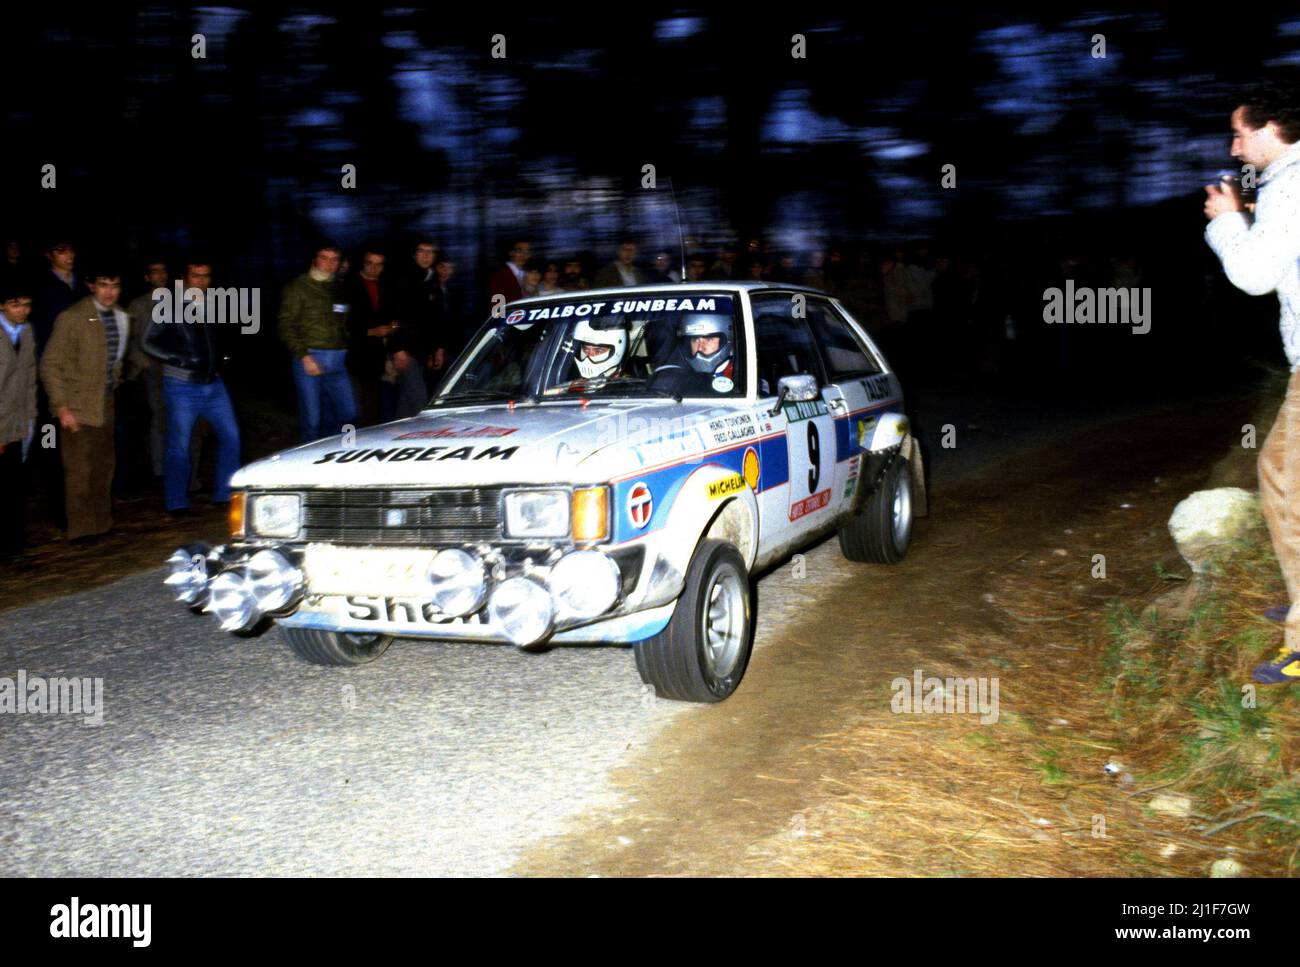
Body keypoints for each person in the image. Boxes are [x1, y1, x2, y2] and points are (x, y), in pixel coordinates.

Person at [1204, 75, 1300, 684]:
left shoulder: (1292, 183)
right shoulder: (1286, 184)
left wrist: (1227, 220)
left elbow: (1255, 275)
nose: (1235, 149)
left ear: (1270, 128)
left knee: (1288, 485)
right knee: (1281, 476)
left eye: (1241, 134)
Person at [143, 261, 242, 516]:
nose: (201, 281)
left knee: (231, 436)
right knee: (179, 444)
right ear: (185, 278)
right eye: (195, 276)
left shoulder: (214, 303)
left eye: (206, 276)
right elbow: (148, 341)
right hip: (182, 385)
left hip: (214, 383)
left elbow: (221, 339)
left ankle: (223, 494)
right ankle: (177, 501)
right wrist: (180, 360)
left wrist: (223, 360)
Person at [39, 269, 128, 543]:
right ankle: (80, 529)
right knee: (79, 469)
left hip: (105, 400)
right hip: (77, 402)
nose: (109, 291)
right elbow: (50, 364)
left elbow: (115, 360)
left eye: (114, 284)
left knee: (104, 466)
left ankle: (102, 523)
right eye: (103, 285)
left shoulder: (121, 317)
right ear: (91, 286)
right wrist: (62, 406)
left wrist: (118, 378)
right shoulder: (73, 317)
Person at [278, 244, 355, 442]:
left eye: (334, 259)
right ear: (314, 259)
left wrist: (345, 346)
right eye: (324, 257)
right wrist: (304, 355)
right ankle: (306, 462)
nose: (329, 263)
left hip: (337, 361)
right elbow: (285, 325)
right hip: (311, 359)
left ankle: (334, 452)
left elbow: (344, 322)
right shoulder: (298, 287)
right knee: (312, 420)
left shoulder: (338, 287)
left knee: (349, 414)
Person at [0, 284, 37, 560]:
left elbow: (30, 378)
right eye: (16, 304)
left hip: (19, 421)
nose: (22, 310)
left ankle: (14, 541)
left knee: (14, 485)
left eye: (26, 304)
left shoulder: (26, 331)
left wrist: (32, 416)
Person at [126, 260, 169, 479]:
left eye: (163, 271)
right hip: (150, 369)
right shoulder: (138, 305)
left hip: (175, 369)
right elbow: (129, 338)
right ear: (147, 277)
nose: (159, 275)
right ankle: (157, 469)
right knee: (156, 419)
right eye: (154, 271)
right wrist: (141, 362)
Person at [343, 248, 395, 426]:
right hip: (354, 354)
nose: (374, 268)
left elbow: (398, 317)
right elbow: (342, 323)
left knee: (375, 405)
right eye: (370, 263)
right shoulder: (349, 285)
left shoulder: (386, 285)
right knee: (356, 408)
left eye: (378, 264)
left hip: (379, 355)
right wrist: (370, 332)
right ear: (363, 263)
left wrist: (392, 328)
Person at [648, 312, 735, 396]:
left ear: (726, 340)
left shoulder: (741, 374)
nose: (700, 347)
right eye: (695, 340)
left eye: (708, 339)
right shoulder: (677, 376)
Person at [487, 239, 529, 311]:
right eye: (519, 251)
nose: (523, 255)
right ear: (511, 252)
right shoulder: (500, 276)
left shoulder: (528, 274)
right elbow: (497, 309)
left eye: (527, 252)